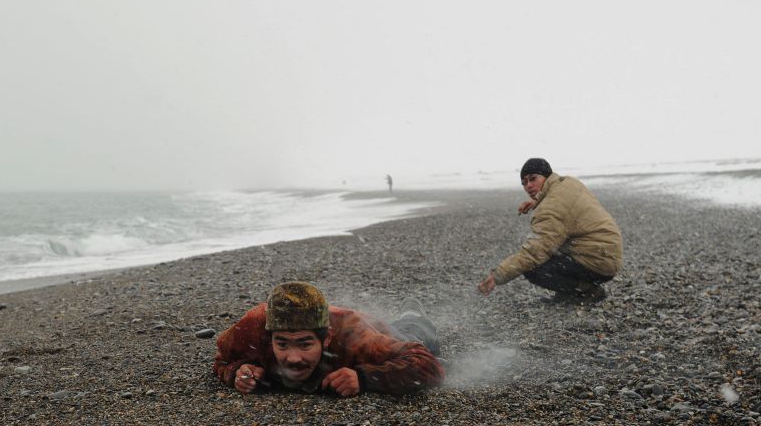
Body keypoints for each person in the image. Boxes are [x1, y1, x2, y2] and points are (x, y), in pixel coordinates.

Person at [213, 281, 444, 397]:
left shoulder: (352, 338)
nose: (293, 358)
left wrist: (364, 378)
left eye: (305, 344)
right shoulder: (252, 329)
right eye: (282, 344)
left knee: (416, 332)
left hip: (384, 331)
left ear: (326, 339)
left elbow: (428, 364)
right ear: (268, 337)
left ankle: (412, 312)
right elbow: (222, 361)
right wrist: (237, 372)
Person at [478, 158, 623, 303]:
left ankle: (588, 291)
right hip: (608, 254)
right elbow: (561, 201)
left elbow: (535, 251)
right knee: (553, 248)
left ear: (546, 176)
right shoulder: (567, 182)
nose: (528, 186)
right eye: (524, 183)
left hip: (598, 263)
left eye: (533, 179)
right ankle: (576, 289)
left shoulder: (551, 207)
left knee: (534, 268)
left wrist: (497, 275)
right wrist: (537, 201)